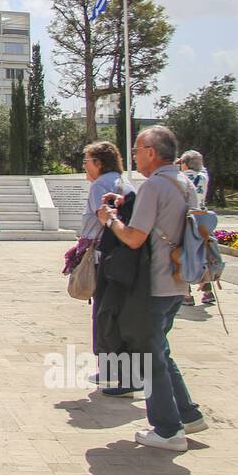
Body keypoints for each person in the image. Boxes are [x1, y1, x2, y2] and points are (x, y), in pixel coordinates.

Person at [97, 125, 207, 451]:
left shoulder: (154, 186)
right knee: (160, 349)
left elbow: (134, 236)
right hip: (178, 280)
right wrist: (127, 200)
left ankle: (167, 428)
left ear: (151, 152)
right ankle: (187, 414)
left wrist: (109, 219)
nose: (133, 155)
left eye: (137, 149)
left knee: (149, 357)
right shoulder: (184, 183)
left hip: (154, 282)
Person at [79, 141, 135, 391]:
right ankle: (122, 369)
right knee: (119, 314)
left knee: (103, 313)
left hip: (104, 256)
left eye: (87, 161)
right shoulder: (124, 183)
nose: (84, 166)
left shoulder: (100, 186)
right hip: (124, 257)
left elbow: (99, 222)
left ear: (98, 163)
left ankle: (109, 368)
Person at [177, 150, 215, 307]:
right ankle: (207, 290)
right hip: (203, 220)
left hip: (187, 221)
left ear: (184, 164)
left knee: (184, 256)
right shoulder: (204, 177)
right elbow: (202, 168)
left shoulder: (182, 178)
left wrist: (176, 165)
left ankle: (186, 293)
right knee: (202, 255)